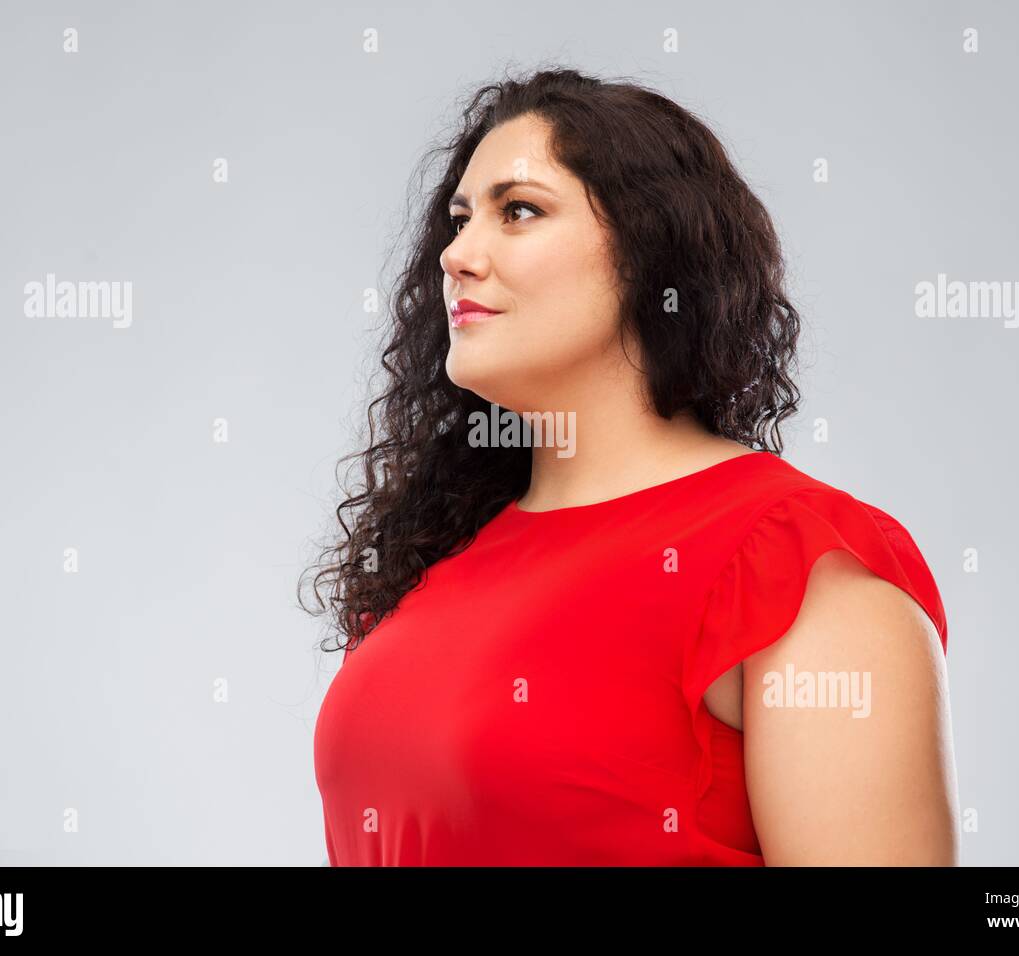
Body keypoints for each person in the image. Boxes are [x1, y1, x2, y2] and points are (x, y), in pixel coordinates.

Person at [304, 67, 957, 866]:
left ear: (652, 248)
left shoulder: (792, 559)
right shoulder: (438, 569)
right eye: (460, 219)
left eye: (520, 211)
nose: (458, 255)